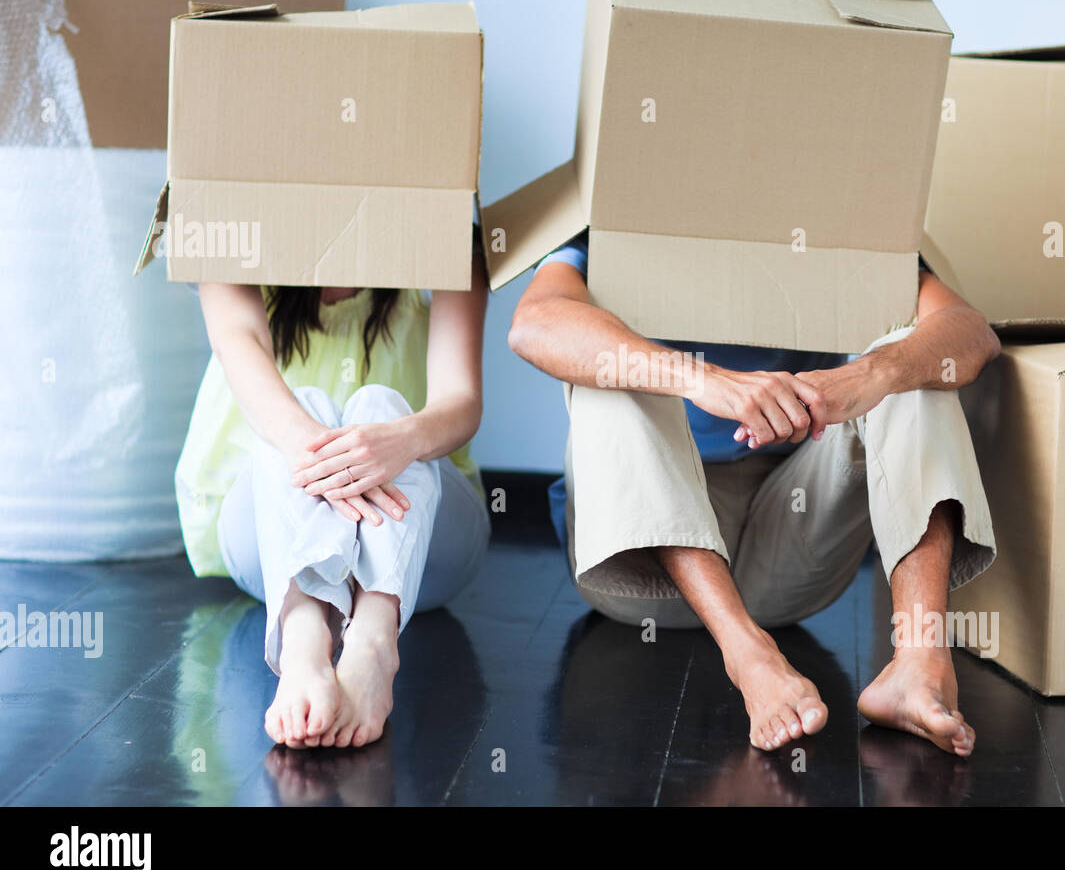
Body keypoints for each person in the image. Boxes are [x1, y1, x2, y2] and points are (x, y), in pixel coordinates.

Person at [508, 232, 998, 756]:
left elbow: (970, 334)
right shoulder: (623, 212)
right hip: (644, 576)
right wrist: (701, 379)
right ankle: (747, 654)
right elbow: (535, 323)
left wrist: (868, 373)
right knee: (616, 368)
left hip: (791, 549)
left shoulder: (838, 209)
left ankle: (919, 663)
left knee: (911, 364)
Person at [175, 244, 490, 750]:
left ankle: (373, 639)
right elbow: (242, 349)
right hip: (272, 547)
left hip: (424, 555)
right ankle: (302, 634)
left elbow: (462, 400)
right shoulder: (229, 218)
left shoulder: (445, 232)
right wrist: (336, 461)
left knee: (380, 406)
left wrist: (399, 440)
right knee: (298, 409)